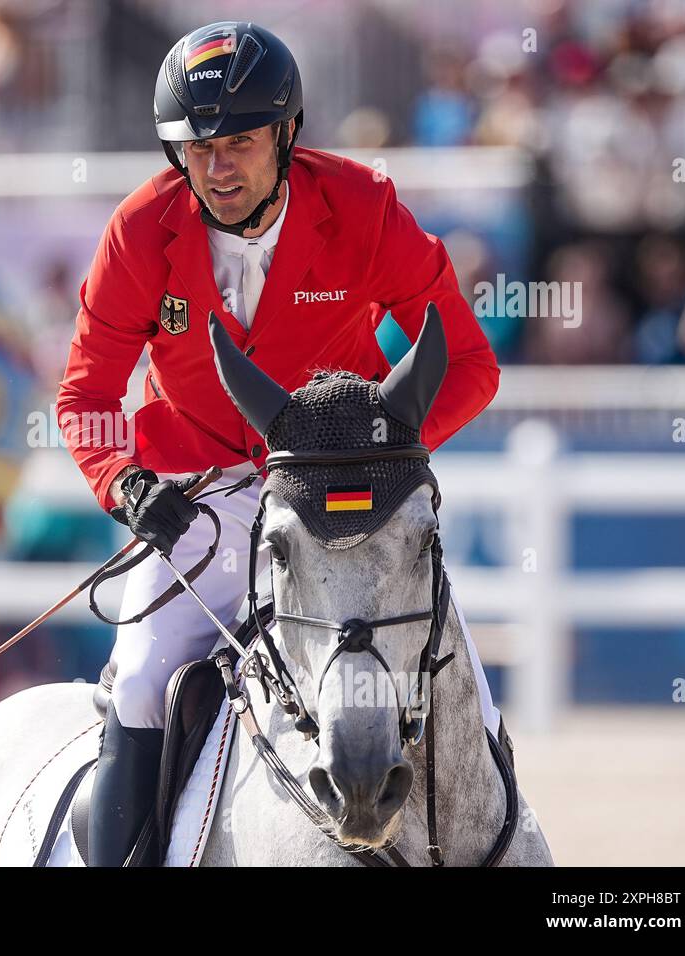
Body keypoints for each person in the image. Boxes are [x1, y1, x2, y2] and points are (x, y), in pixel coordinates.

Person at [56, 21, 504, 866]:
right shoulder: (140, 231)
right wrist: (124, 483)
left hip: (347, 497)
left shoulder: (364, 207)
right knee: (147, 676)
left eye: (240, 144)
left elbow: (472, 364)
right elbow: (85, 396)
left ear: (286, 133)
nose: (217, 169)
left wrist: (383, 455)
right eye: (198, 148)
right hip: (205, 502)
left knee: (462, 680)